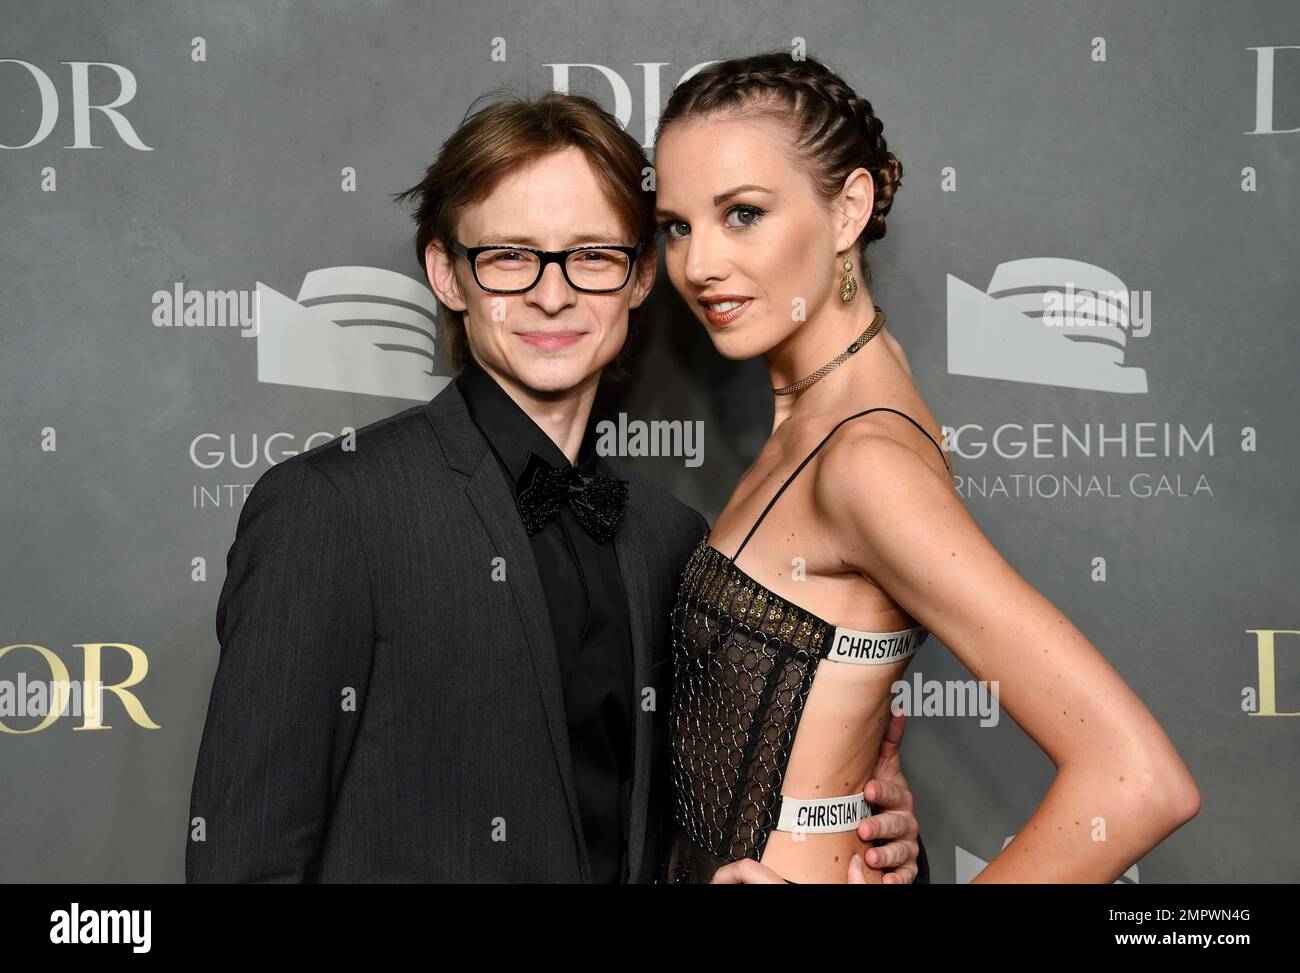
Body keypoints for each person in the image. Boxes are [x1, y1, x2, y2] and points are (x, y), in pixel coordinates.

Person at [185, 89, 927, 883]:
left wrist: (868, 839)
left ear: (641, 277)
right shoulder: (331, 510)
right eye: (509, 255)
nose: (551, 292)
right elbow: (244, 864)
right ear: (446, 272)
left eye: (592, 255)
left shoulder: (669, 539)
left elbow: (717, 828)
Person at [649, 51, 1201, 884]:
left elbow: (1137, 780)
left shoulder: (866, 459)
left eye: (744, 214)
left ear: (850, 209)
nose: (697, 266)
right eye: (678, 225)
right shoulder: (826, 409)